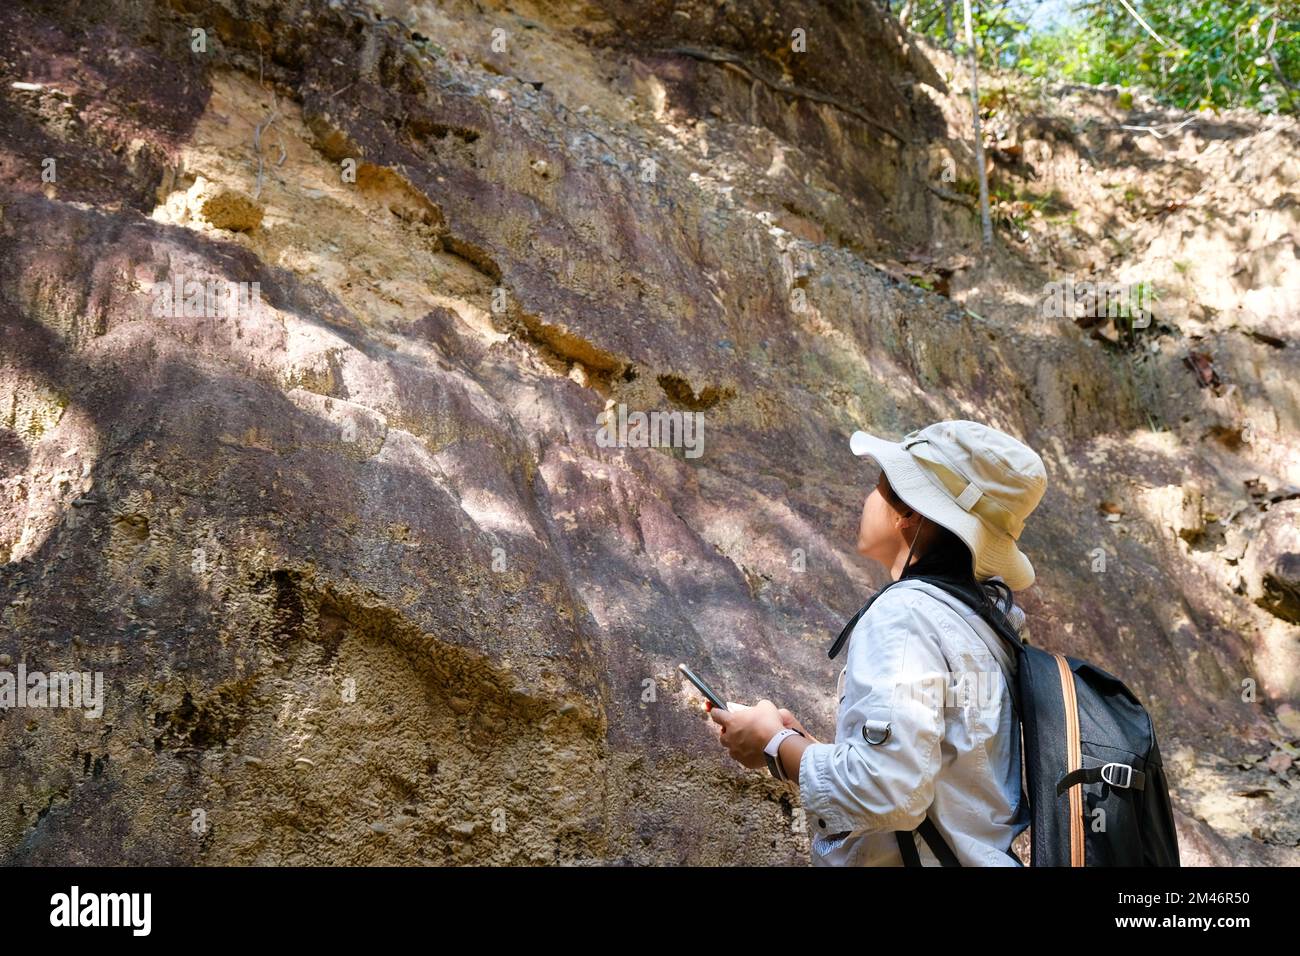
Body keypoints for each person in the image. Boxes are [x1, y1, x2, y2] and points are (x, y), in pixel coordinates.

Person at [709, 420, 1048, 865]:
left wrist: (771, 742)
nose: (868, 497)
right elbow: (933, 783)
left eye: (879, 484)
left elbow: (888, 793)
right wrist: (801, 748)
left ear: (907, 512)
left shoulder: (906, 615)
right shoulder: (987, 626)